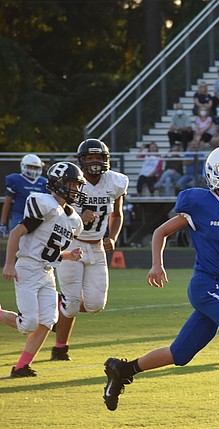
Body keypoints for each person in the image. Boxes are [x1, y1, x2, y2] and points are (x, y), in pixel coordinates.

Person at [101, 146, 219, 429]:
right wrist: (157, 264)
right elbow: (160, 232)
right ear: (214, 174)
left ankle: (122, 370)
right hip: (206, 286)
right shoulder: (198, 202)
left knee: (179, 354)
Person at [0, 162, 85, 377]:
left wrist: (70, 255)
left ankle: (21, 366)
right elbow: (16, 233)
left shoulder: (73, 219)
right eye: (72, 184)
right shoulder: (44, 203)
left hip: (46, 272)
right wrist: (9, 263)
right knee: (28, 324)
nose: (76, 190)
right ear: (58, 183)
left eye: (78, 185)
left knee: (48, 321)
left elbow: (50, 251)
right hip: (28, 268)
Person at [52, 139, 129, 362]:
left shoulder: (115, 182)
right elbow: (55, 211)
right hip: (72, 244)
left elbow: (117, 214)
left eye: (98, 157)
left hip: (97, 247)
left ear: (106, 160)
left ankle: (60, 302)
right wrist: (77, 217)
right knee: (73, 303)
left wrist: (112, 237)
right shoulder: (71, 180)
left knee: (96, 304)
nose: (94, 162)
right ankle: (60, 348)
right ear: (81, 160)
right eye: (89, 158)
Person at [0, 154, 47, 238]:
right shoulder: (16, 180)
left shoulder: (44, 182)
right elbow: (7, 203)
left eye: (35, 167)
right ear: (23, 166)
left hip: (38, 216)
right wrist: (3, 223)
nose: (33, 170)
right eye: (30, 167)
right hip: (19, 214)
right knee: (17, 239)